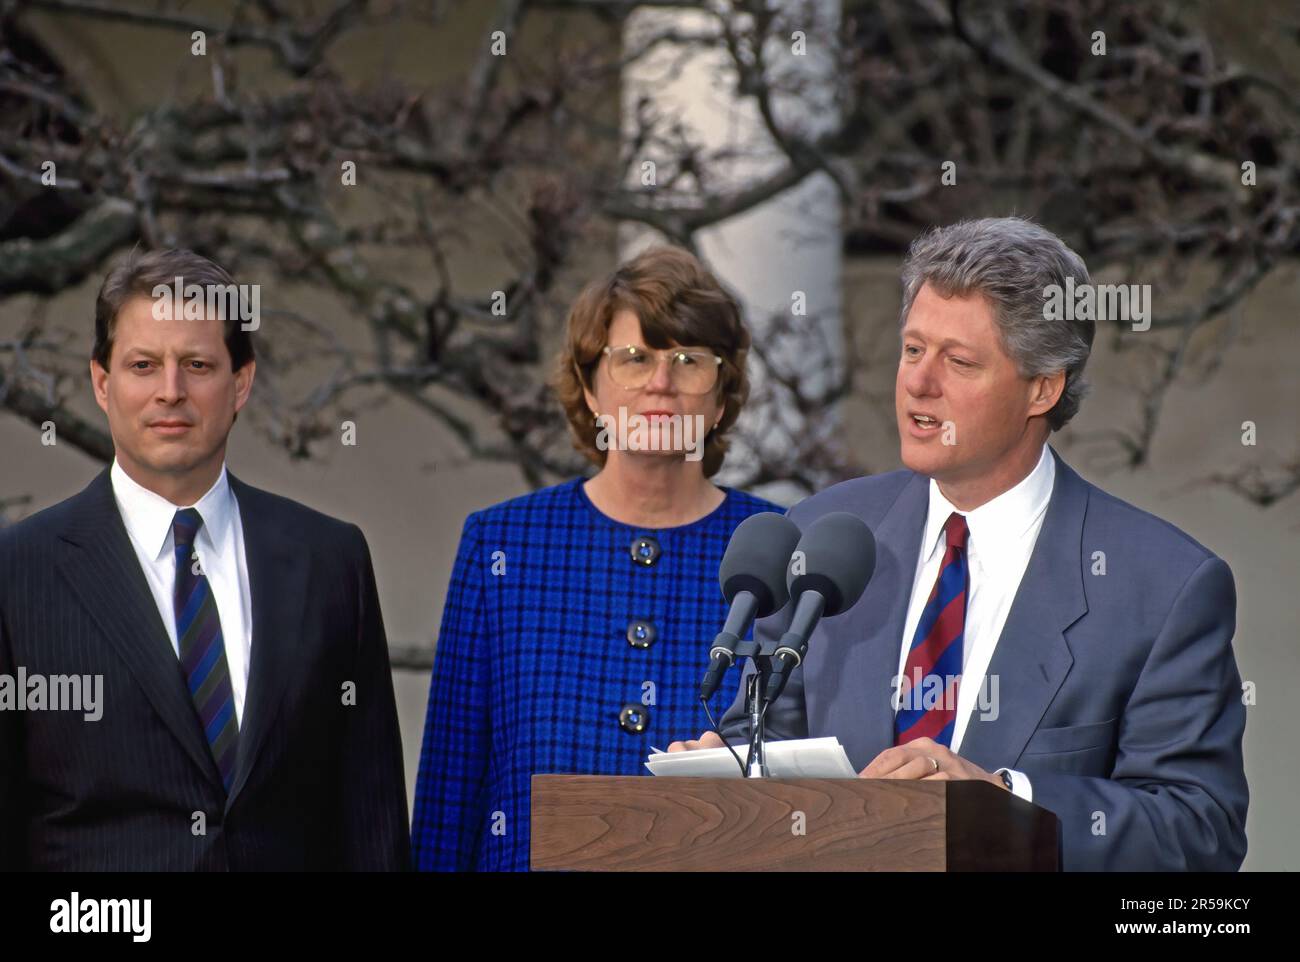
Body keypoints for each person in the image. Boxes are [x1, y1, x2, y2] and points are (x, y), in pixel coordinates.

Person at [670, 217, 1249, 871]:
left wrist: (1005, 801)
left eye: (960, 361)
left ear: (1042, 388)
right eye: (913, 349)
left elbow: (1199, 831)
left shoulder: (1163, 585)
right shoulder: (825, 535)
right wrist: (722, 777)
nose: (919, 382)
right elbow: (765, 741)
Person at [0, 248, 409, 870]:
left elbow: (371, 820)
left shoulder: (330, 561)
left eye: (197, 364)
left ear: (240, 382)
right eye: (143, 365)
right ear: (102, 383)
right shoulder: (17, 573)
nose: (171, 391)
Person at [412, 246, 781, 871]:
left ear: (722, 398)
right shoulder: (502, 545)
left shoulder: (776, 546)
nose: (660, 384)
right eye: (633, 359)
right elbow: (451, 786)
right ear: (589, 386)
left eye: (690, 361)